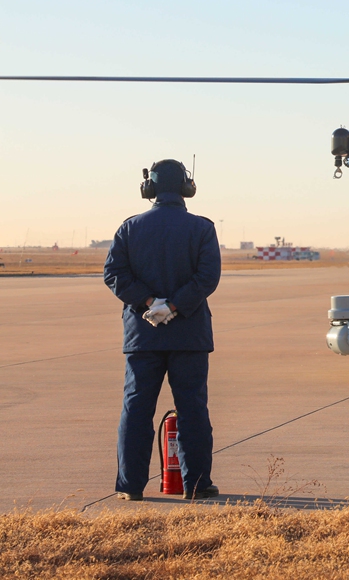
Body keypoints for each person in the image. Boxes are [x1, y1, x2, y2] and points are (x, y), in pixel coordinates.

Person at [103, 159, 221, 501]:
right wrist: (173, 306)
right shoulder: (202, 228)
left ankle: (130, 486)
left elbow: (114, 275)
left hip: (143, 335)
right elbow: (207, 277)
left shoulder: (129, 228)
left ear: (149, 188)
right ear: (187, 187)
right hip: (190, 335)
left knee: (137, 409)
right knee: (193, 409)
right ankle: (196, 485)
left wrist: (149, 302)